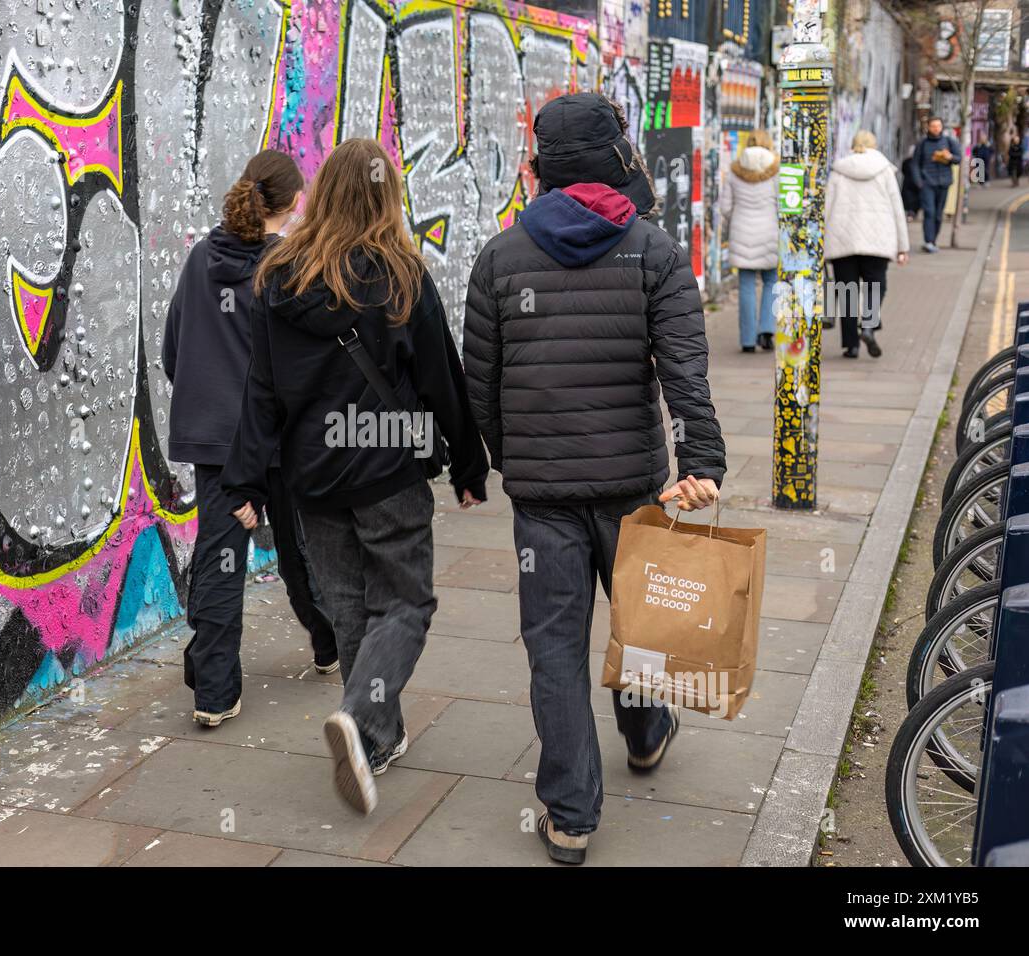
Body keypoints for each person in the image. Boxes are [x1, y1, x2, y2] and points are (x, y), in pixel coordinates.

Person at [462, 92, 726, 865]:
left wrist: (516, 458)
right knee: (641, 625)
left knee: (554, 648)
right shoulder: (652, 250)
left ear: (542, 168)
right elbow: (685, 372)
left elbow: (483, 382)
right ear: (616, 159)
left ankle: (571, 815)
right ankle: (644, 734)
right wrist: (700, 463)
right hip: (632, 485)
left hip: (544, 498)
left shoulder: (500, 257)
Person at [222, 138, 489, 815]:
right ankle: (362, 722)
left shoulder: (279, 277)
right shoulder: (401, 275)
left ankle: (376, 733)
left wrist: (247, 479)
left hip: (311, 475)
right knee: (405, 602)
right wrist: (467, 458)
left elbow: (261, 390)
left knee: (347, 604)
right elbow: (441, 378)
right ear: (383, 196)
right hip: (387, 465)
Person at [161, 149, 338, 728]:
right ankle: (328, 642)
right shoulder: (287, 268)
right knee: (300, 547)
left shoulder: (198, 261)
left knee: (220, 558)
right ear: (293, 204)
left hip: (216, 439)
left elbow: (173, 352)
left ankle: (213, 692)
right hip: (281, 439)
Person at [824, 130, 909, 360]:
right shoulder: (884, 170)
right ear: (874, 145)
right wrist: (903, 246)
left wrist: (820, 242)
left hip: (843, 238)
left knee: (847, 292)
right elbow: (897, 210)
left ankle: (851, 346)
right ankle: (869, 327)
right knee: (875, 286)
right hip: (878, 239)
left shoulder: (839, 170)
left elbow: (826, 207)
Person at [719, 129, 779, 353]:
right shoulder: (776, 170)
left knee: (746, 285)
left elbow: (725, 208)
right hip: (770, 232)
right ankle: (766, 330)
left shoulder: (735, 171)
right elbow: (782, 207)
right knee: (771, 281)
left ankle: (747, 340)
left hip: (741, 232)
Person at [914, 116, 961, 252]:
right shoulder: (922, 143)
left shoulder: (949, 142)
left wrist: (950, 157)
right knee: (929, 212)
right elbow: (915, 163)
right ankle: (928, 241)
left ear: (942, 127)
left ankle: (933, 240)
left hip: (944, 183)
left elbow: (958, 158)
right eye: (933, 126)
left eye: (938, 126)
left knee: (938, 214)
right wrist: (919, 182)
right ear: (928, 127)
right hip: (927, 183)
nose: (936, 128)